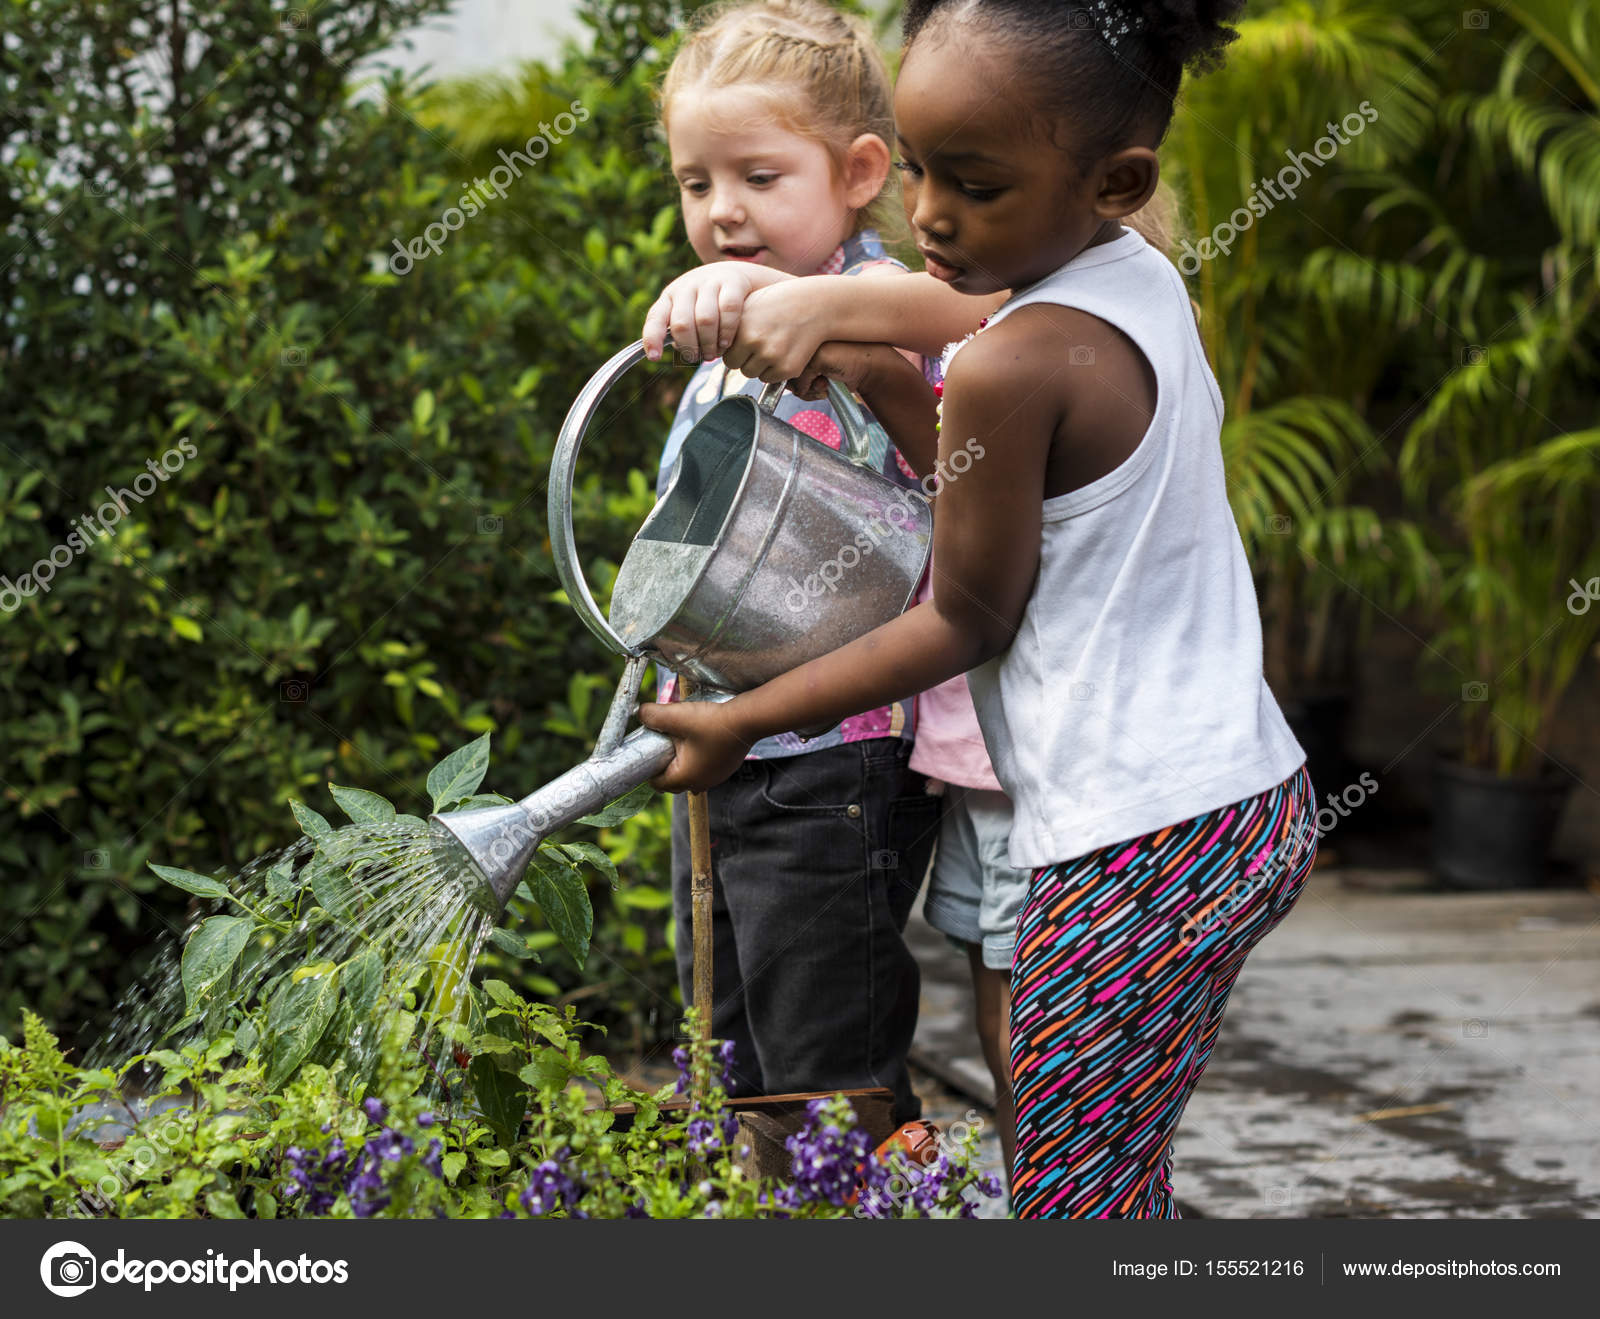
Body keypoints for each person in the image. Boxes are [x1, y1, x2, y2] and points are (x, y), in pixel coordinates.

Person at [639, 0, 1318, 1218]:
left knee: (1074, 1205)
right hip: (1235, 798)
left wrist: (747, 722)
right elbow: (958, 351)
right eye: (916, 166)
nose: (931, 214)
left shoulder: (1012, 360)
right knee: (1105, 1182)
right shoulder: (1136, 280)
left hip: (1137, 841)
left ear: (1114, 180)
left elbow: (963, 616)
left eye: (976, 184)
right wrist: (846, 326)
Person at [644, 0, 995, 1125]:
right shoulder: (719, 335)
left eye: (757, 175)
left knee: (825, 1049)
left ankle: (866, 1212)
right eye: (696, 184)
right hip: (733, 739)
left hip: (837, 756)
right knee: (736, 1026)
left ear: (856, 172)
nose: (723, 213)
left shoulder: (903, 304)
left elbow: (973, 333)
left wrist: (807, 316)